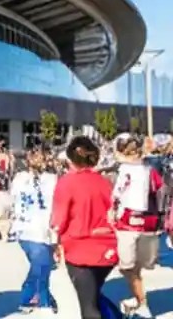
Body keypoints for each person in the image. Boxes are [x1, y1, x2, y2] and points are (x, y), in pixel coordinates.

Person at [51, 136, 121, 319]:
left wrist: (55, 243)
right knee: (93, 294)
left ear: (69, 159)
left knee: (88, 306)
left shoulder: (67, 182)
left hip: (80, 250)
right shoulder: (105, 182)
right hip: (108, 249)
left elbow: (59, 219)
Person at [111, 135, 161, 318]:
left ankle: (141, 302)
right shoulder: (150, 169)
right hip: (148, 223)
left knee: (126, 266)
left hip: (127, 221)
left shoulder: (125, 170)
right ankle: (138, 297)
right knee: (136, 265)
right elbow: (159, 189)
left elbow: (117, 194)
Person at [9, 147, 58, 315]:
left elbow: (13, 198)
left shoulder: (20, 178)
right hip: (35, 229)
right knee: (42, 266)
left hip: (29, 229)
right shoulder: (51, 180)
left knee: (42, 265)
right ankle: (31, 298)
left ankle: (41, 297)